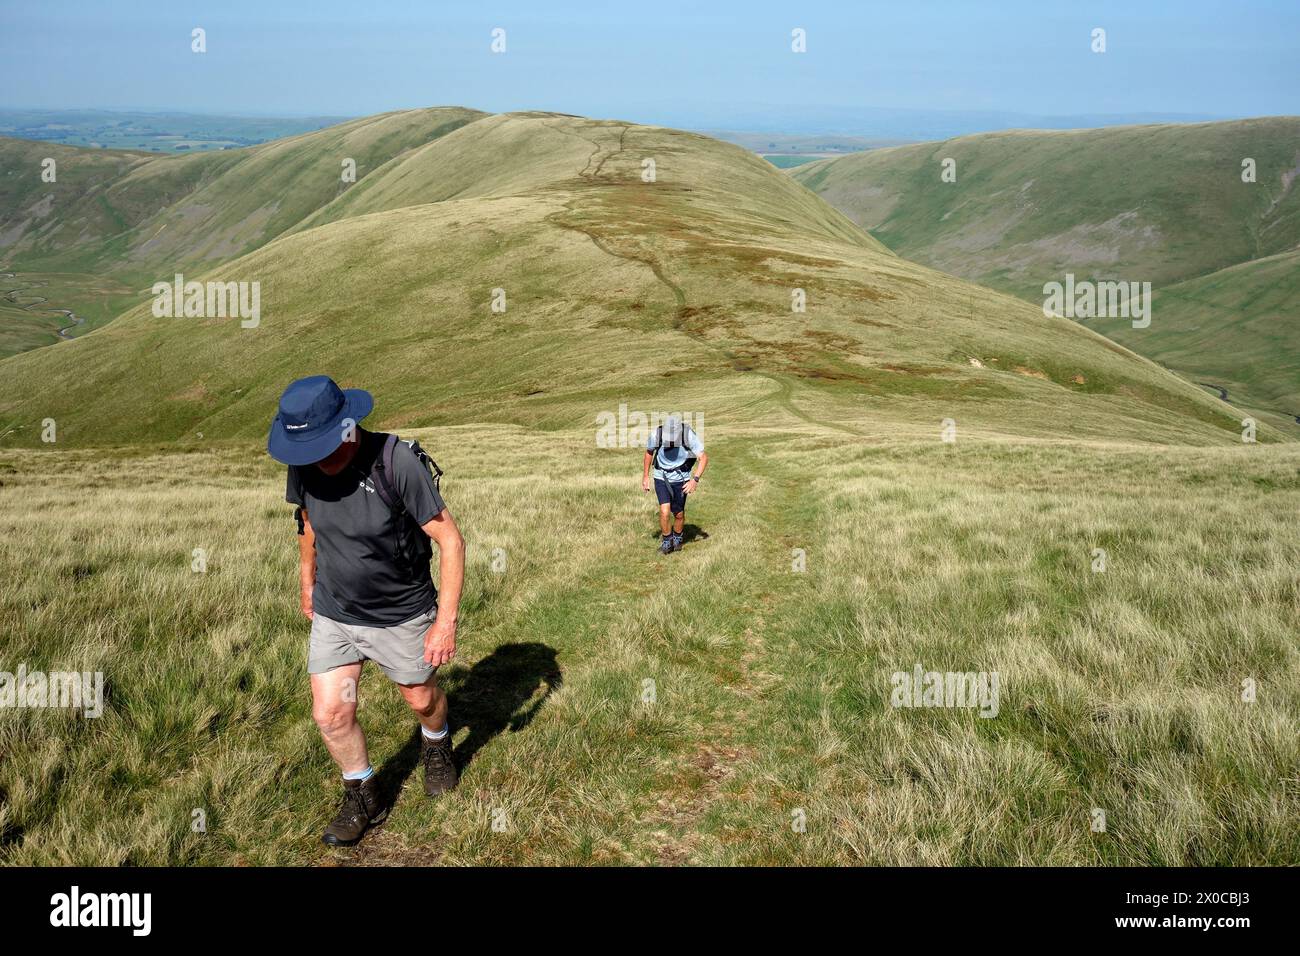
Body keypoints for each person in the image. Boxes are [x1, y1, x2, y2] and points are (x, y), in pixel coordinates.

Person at [266, 375, 465, 847]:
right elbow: (308, 526)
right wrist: (307, 584)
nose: (316, 460)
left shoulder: (396, 462)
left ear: (348, 427)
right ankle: (363, 791)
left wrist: (445, 622)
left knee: (421, 700)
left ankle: (436, 745)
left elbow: (450, 540)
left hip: (400, 612)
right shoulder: (305, 462)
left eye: (323, 446)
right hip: (337, 611)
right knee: (331, 713)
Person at [641, 415, 708, 554]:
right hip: (661, 476)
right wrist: (646, 476)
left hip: (680, 478)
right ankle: (667, 543)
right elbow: (649, 452)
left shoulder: (687, 434)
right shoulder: (657, 434)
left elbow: (703, 457)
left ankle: (677, 539)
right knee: (664, 511)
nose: (669, 441)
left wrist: (694, 480)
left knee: (678, 514)